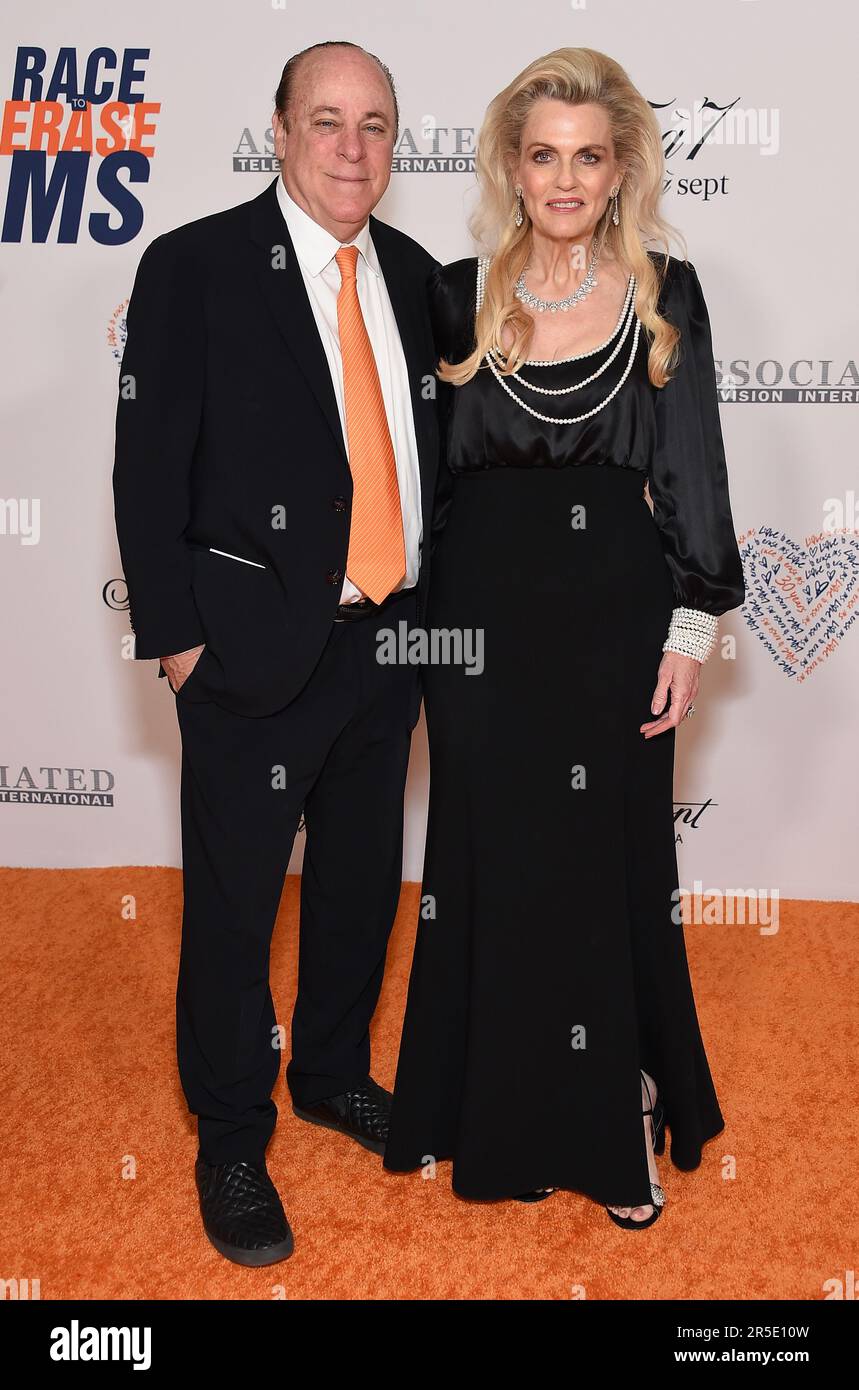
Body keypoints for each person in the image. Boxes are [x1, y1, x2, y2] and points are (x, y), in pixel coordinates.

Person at [383, 47, 746, 1229]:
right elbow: (419, 484)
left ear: (621, 166)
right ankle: (504, 1113)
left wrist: (691, 623)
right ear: (510, 164)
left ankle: (621, 1106)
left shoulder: (665, 295)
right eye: (543, 155)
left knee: (612, 857)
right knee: (489, 860)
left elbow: (691, 466)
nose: (564, 178)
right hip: (479, 619)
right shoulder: (457, 295)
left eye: (589, 156)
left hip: (612, 614)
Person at [113, 41, 443, 1266]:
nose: (351, 147)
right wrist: (180, 640)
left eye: (374, 125)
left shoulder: (415, 275)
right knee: (238, 909)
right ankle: (232, 1134)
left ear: (395, 142)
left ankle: (332, 1074)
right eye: (326, 121)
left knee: (361, 882)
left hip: (387, 643)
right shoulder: (193, 266)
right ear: (279, 129)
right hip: (247, 653)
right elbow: (145, 470)